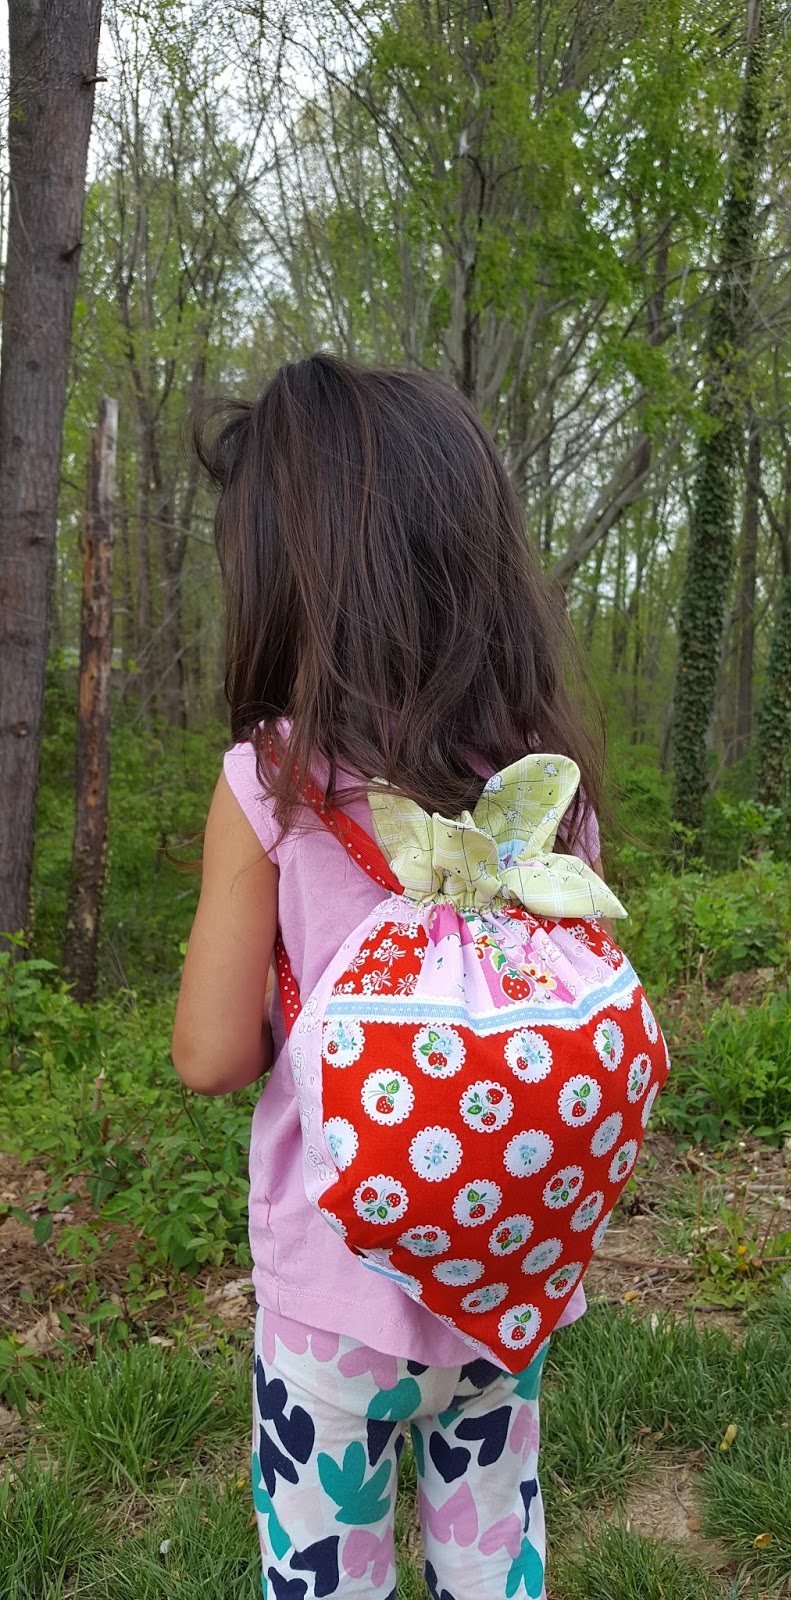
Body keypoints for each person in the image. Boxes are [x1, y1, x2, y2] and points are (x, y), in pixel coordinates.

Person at [173, 354, 610, 1600]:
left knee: (327, 1570)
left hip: (329, 1299)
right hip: (498, 1272)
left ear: (285, 577)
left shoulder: (271, 784)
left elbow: (212, 1054)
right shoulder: (543, 785)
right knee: (491, 1536)